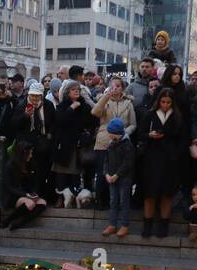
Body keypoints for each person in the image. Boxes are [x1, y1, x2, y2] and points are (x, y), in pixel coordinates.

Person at [137, 87, 185, 237]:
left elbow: (182, 138)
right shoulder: (150, 115)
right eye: (163, 102)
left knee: (167, 193)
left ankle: (164, 224)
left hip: (170, 160)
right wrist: (149, 135)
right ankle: (147, 224)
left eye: (168, 102)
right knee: (149, 193)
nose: (165, 105)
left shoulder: (177, 117)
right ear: (158, 101)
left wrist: (175, 154)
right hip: (151, 158)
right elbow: (140, 134)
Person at [92, 76, 136, 209]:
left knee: (118, 172)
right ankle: (100, 200)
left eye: (118, 86)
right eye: (113, 86)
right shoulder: (104, 100)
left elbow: (133, 124)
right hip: (104, 140)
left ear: (122, 88)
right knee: (102, 172)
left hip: (121, 142)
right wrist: (105, 97)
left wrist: (123, 134)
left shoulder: (128, 103)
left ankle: (117, 202)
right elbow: (95, 112)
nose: (115, 88)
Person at [52, 79, 93, 207]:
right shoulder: (62, 106)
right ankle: (60, 197)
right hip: (63, 144)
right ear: (67, 92)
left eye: (78, 90)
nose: (77, 92)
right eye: (73, 89)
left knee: (75, 173)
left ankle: (75, 198)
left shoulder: (84, 106)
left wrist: (87, 135)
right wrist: (71, 108)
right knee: (61, 173)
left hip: (78, 144)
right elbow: (59, 121)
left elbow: (90, 122)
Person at [101, 117, 134, 237]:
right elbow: (106, 160)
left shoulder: (127, 145)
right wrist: (106, 174)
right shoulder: (111, 144)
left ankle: (124, 225)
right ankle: (112, 224)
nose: (109, 134)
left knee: (123, 201)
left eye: (110, 132)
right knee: (113, 201)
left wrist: (117, 175)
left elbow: (128, 163)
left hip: (124, 178)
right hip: (112, 177)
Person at [1, 141, 46, 229]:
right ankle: (7, 220)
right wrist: (25, 195)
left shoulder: (31, 164)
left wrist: (34, 193)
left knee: (42, 203)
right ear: (23, 153)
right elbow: (9, 187)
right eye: (30, 153)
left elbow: (35, 182)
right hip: (13, 196)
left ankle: (20, 222)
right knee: (30, 203)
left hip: (27, 194)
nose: (31, 155)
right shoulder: (9, 166)